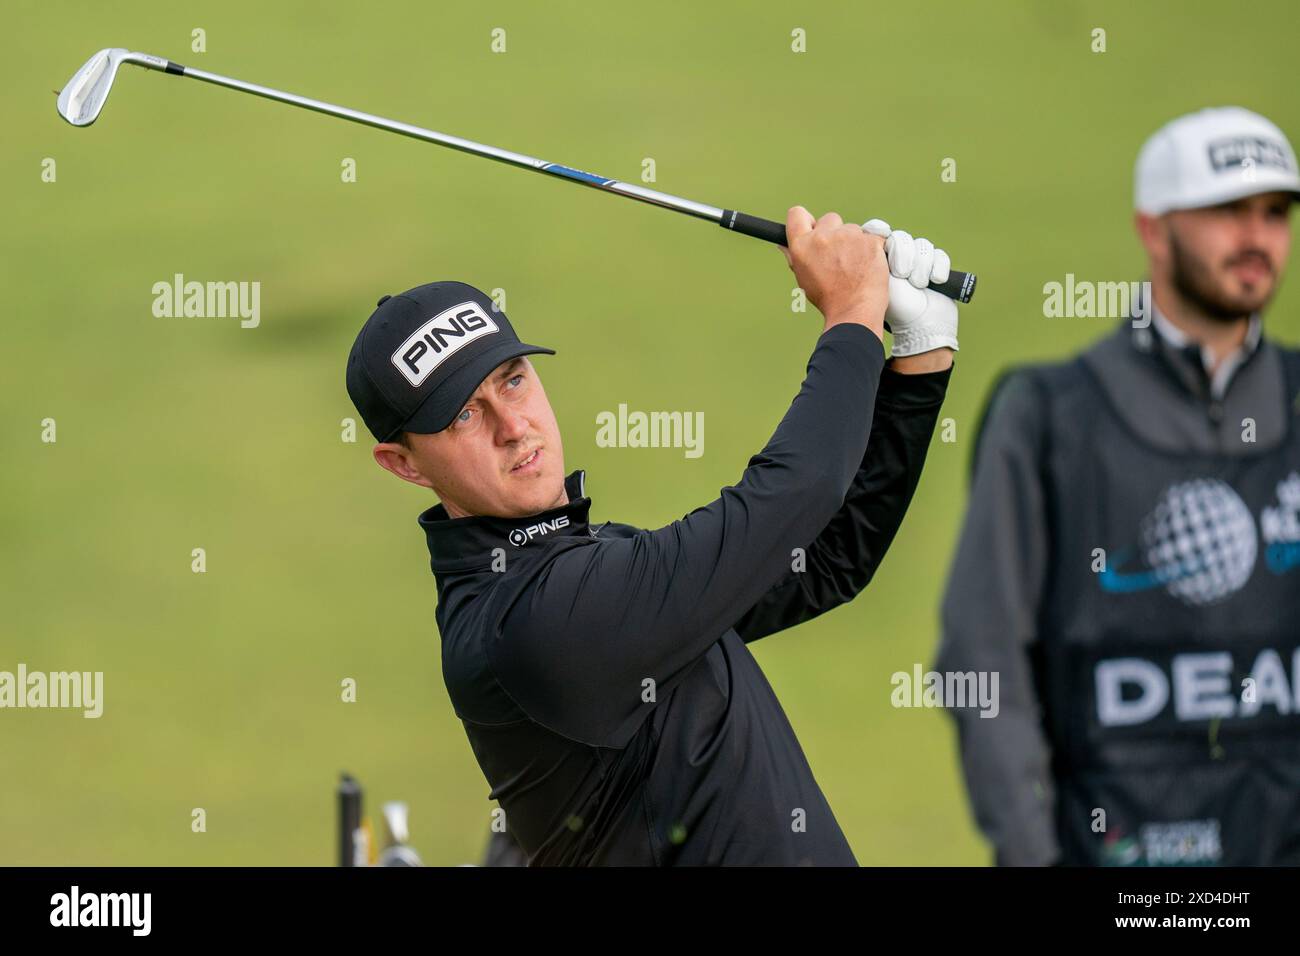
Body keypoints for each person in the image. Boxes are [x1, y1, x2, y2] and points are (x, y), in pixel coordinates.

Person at [345, 206, 959, 865]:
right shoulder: (532, 621)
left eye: (513, 381)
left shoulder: (583, 565)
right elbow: (795, 492)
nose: (513, 427)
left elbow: (828, 558)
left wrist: (918, 354)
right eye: (464, 414)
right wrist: (852, 314)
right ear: (403, 463)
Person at [937, 107, 1300, 866]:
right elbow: (981, 655)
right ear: (1153, 230)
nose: (1258, 239)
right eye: (1226, 212)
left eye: (1275, 213)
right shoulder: (1048, 415)